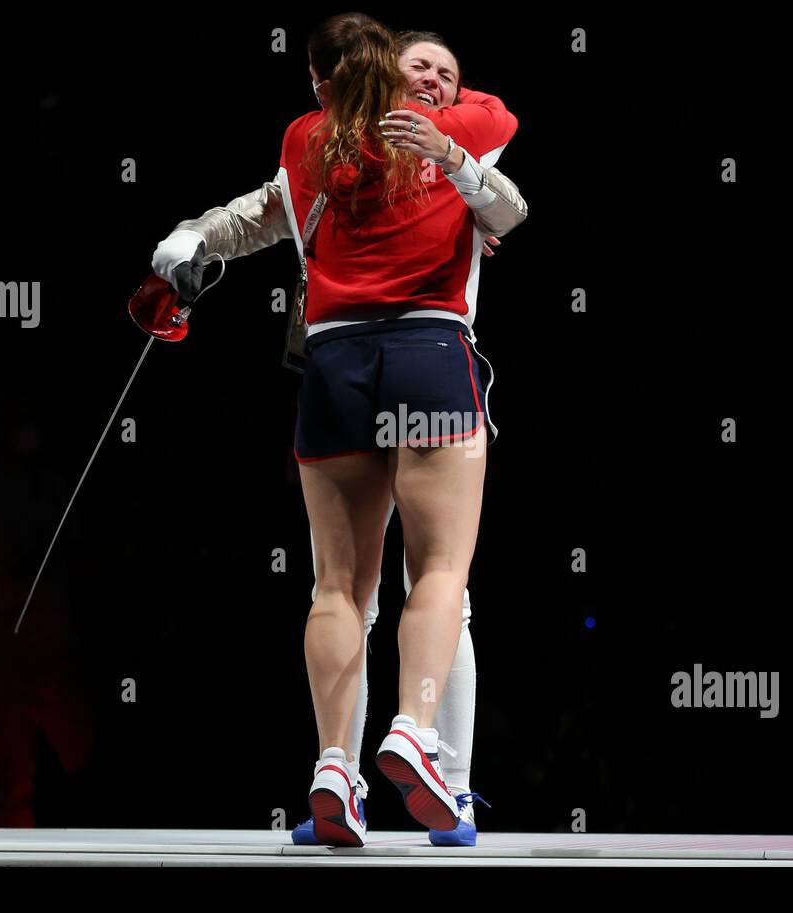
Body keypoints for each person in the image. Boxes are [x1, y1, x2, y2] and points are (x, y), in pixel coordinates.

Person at [153, 14, 521, 847]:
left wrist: (186, 237)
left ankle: (339, 770)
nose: (433, 80)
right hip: (426, 351)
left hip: (334, 365)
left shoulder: (310, 138)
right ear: (384, 71)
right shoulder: (460, 127)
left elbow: (498, 207)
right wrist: (458, 159)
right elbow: (511, 204)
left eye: (447, 74)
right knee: (437, 574)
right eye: (416, 65)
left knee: (340, 589)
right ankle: (414, 740)